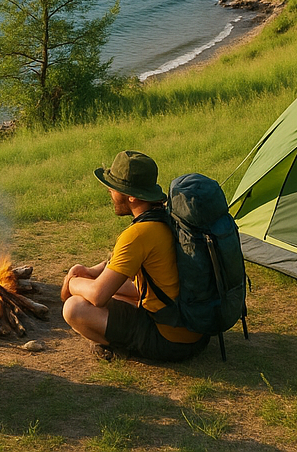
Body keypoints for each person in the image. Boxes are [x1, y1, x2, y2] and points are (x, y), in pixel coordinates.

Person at [61, 150, 209, 362]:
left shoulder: (138, 235)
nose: (110, 192)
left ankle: (119, 346)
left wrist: (72, 282)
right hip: (197, 332)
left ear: (130, 196)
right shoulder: (169, 219)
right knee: (114, 294)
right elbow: (144, 287)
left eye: (114, 188)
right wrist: (93, 275)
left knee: (74, 308)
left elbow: (97, 296)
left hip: (168, 342)